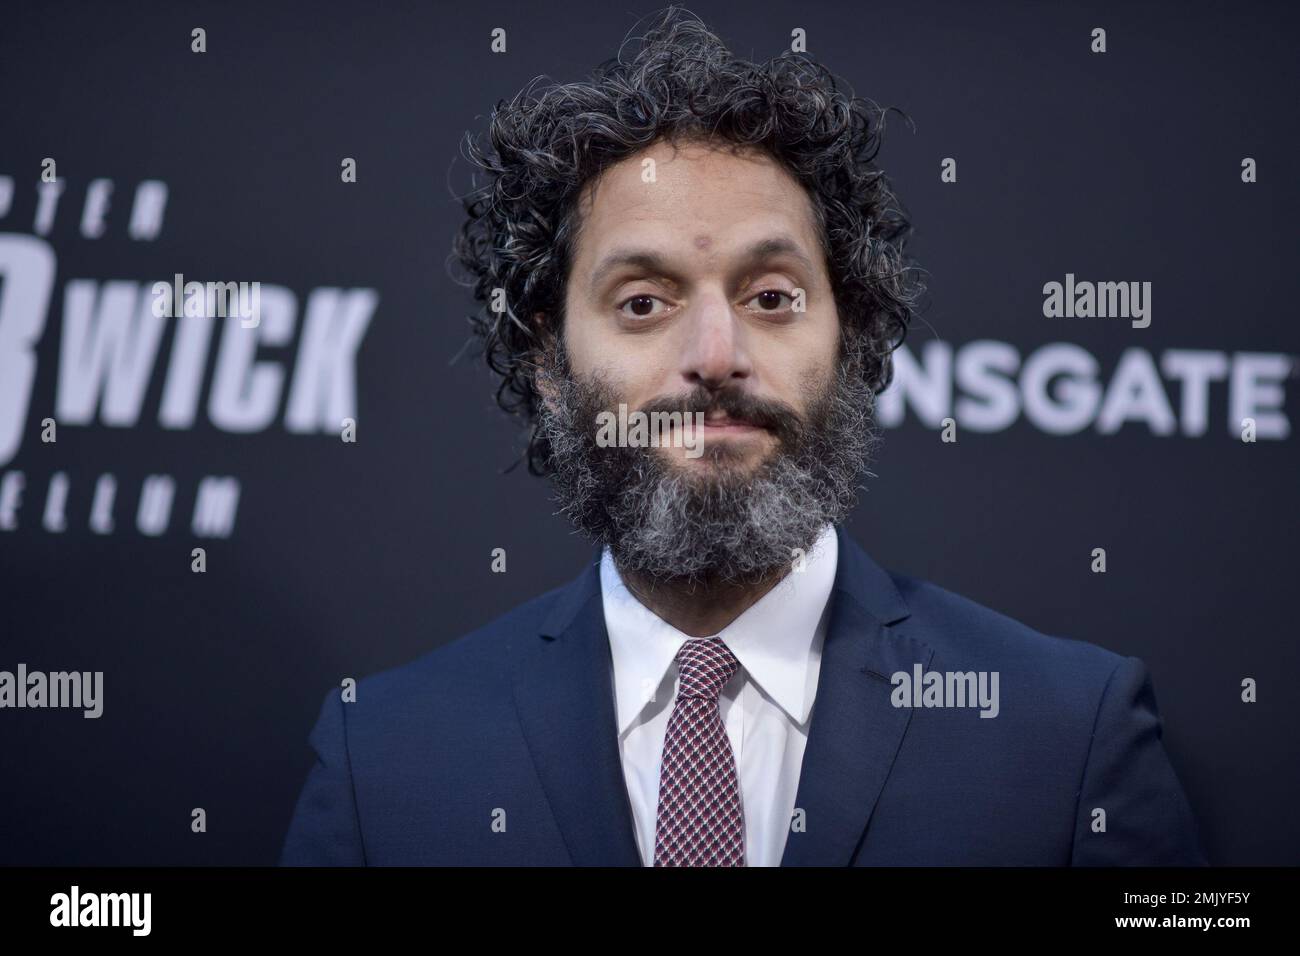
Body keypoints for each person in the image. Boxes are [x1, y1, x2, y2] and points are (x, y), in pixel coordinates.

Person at [280, 9, 1205, 866]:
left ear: (853, 340)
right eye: (642, 303)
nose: (716, 356)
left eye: (772, 298)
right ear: (550, 370)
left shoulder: (1068, 733)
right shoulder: (388, 761)